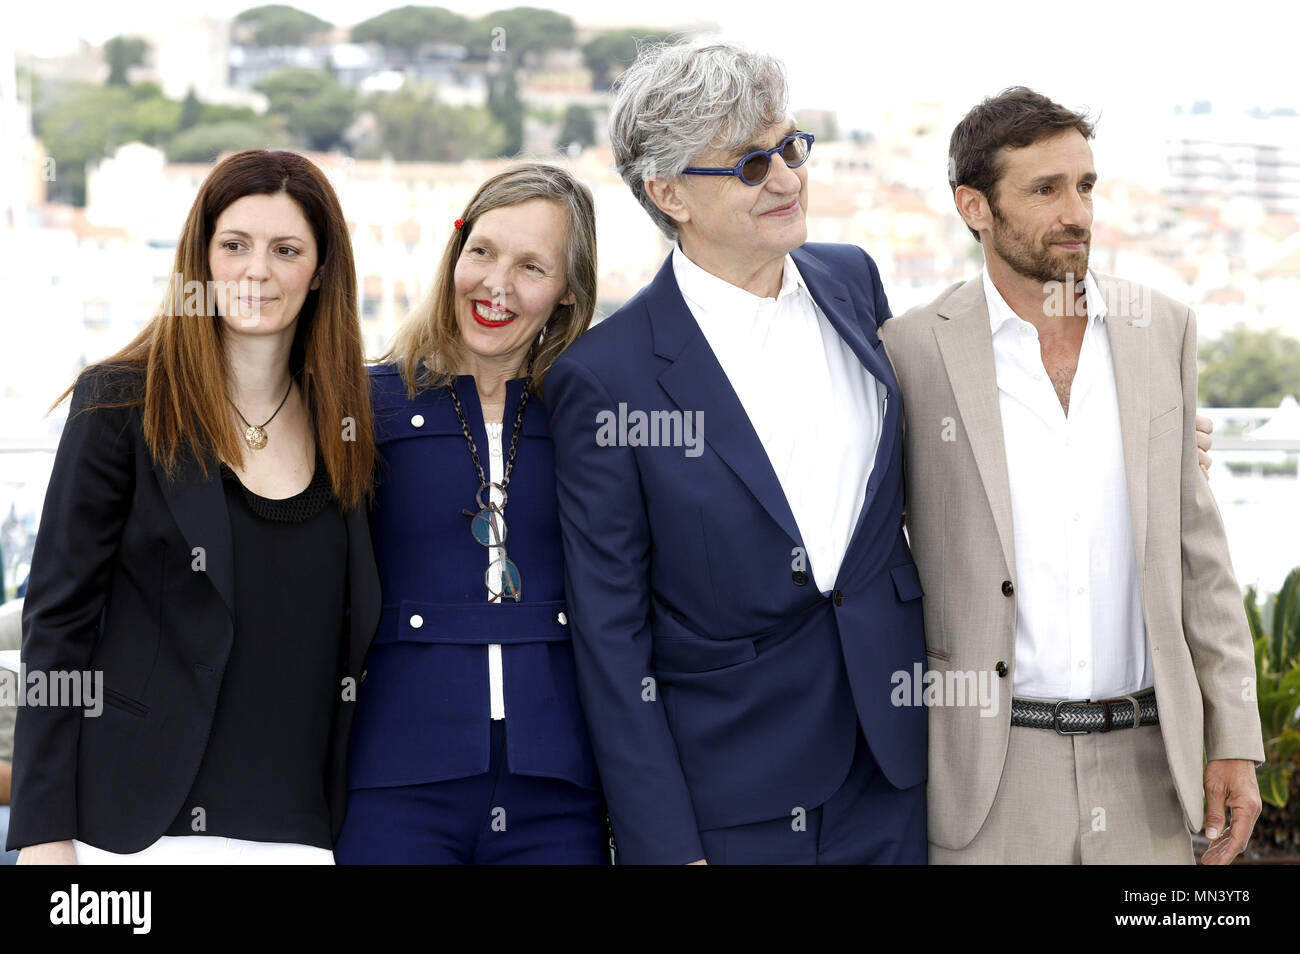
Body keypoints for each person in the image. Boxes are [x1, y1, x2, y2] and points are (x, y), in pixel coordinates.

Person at [543, 40, 926, 865]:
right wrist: (664, 845)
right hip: (733, 797)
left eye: (790, 147)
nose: (787, 178)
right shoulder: (604, 380)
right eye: (751, 165)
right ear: (669, 192)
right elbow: (611, 636)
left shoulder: (852, 281)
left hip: (894, 768)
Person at [879, 87, 1263, 864]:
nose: (1076, 212)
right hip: (988, 776)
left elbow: (1203, 561)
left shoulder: (1164, 329)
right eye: (1045, 189)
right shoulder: (911, 351)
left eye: (1085, 186)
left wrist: (1234, 738)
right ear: (975, 207)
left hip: (1149, 771)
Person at [7, 149, 380, 864]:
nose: (255, 271)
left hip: (303, 837)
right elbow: (57, 624)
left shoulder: (355, 424)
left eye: (286, 249)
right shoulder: (120, 403)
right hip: (132, 832)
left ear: (322, 269)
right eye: (234, 245)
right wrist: (43, 834)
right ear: (200, 260)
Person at [334, 163, 607, 865]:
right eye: (481, 252)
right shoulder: (360, 405)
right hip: (394, 779)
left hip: (559, 788)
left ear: (569, 291)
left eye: (531, 266)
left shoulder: (591, 419)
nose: (496, 284)